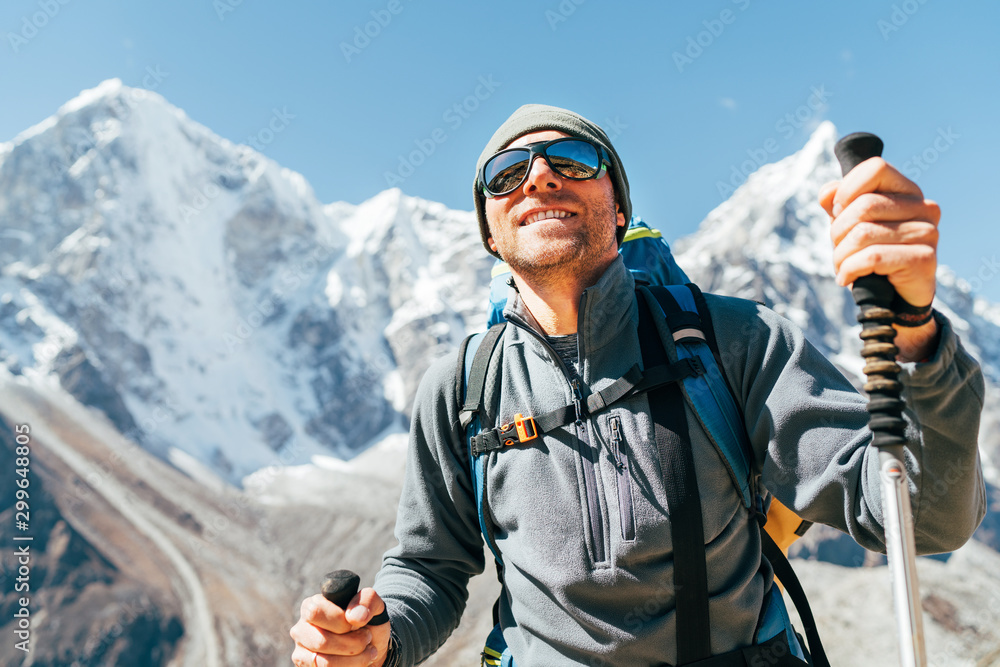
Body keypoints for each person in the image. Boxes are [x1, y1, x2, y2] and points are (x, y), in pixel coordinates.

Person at [290, 105, 986, 666]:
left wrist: (916, 332)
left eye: (574, 160)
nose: (537, 178)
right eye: (506, 173)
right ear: (490, 234)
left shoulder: (734, 340)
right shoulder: (461, 389)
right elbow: (430, 567)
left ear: (619, 208)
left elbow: (922, 514)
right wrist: (378, 641)